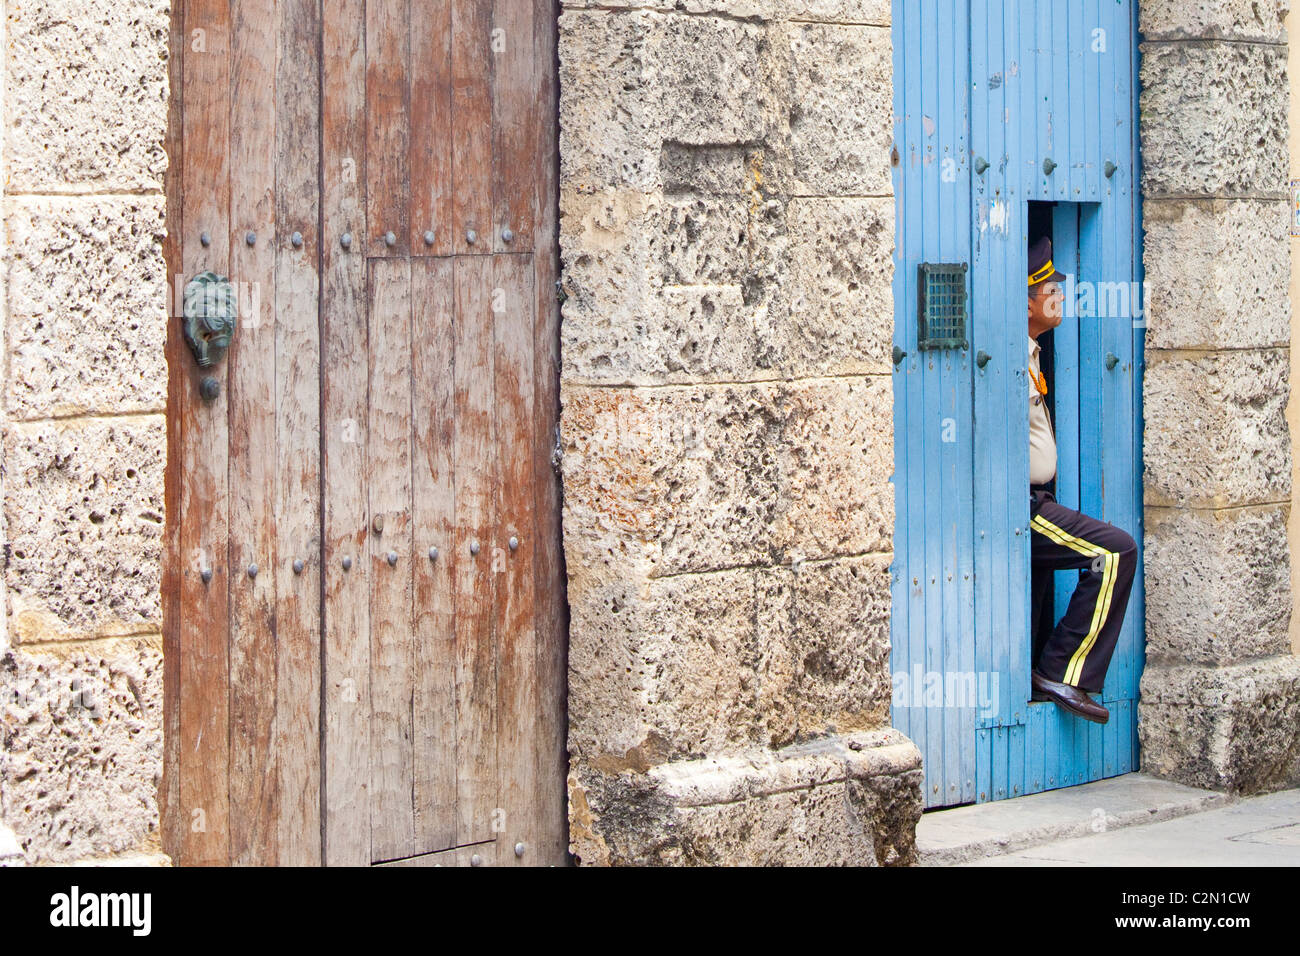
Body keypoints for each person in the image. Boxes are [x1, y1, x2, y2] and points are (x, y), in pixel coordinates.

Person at [1025, 236, 1137, 725]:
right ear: (1028, 299)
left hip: (1037, 498)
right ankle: (1061, 673)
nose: (1062, 297)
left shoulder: (1029, 351)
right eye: (1053, 287)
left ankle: (1041, 671)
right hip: (1020, 507)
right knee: (1114, 551)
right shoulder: (1007, 356)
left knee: (1042, 591)